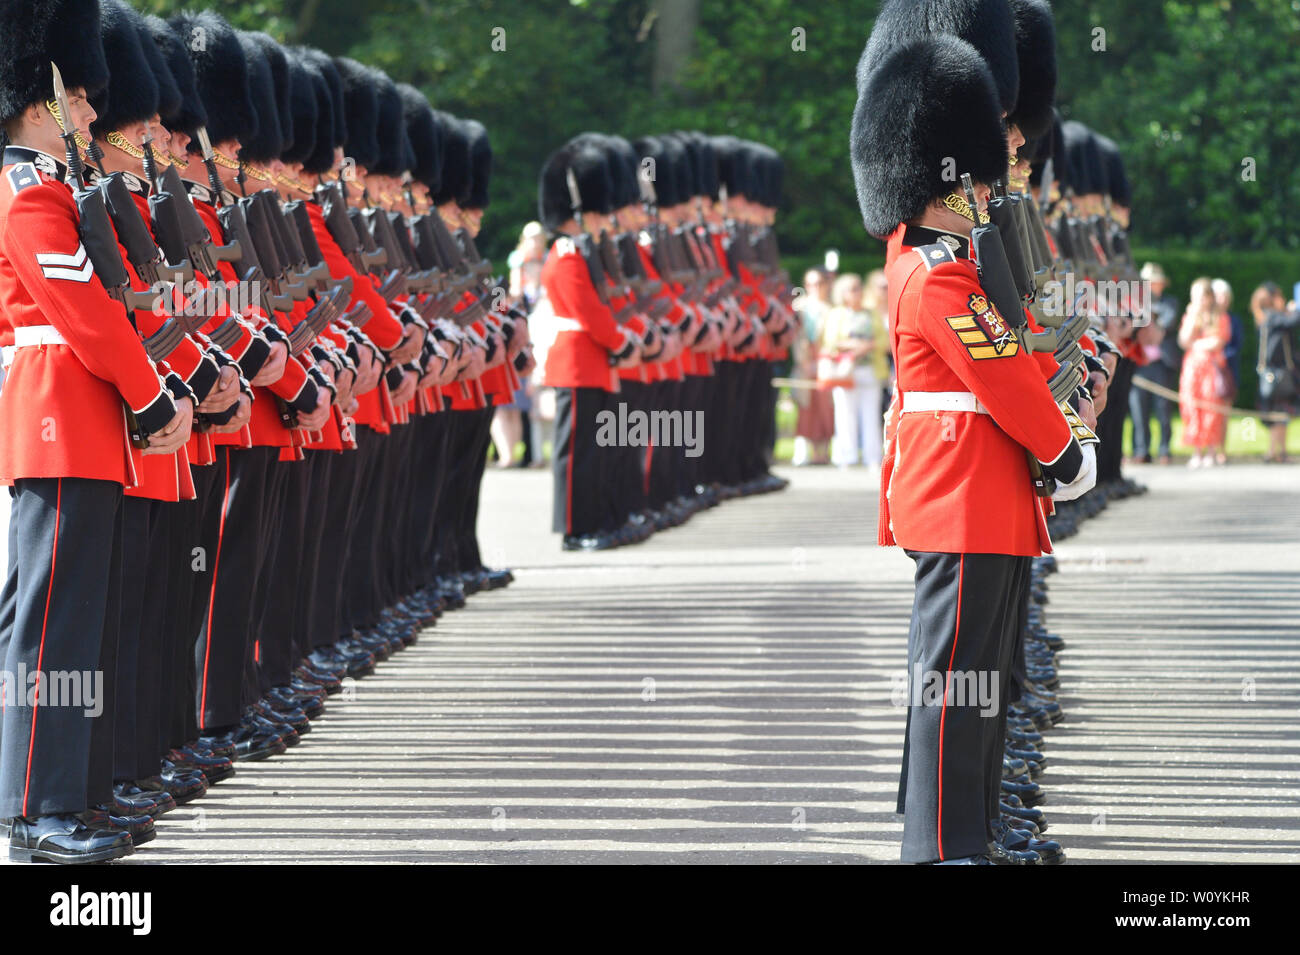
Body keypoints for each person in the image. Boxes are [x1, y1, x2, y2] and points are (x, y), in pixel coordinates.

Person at [854, 0, 1094, 865]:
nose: (991, 187)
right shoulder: (936, 273)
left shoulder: (951, 259)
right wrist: (1063, 447)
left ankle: (967, 835)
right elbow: (997, 371)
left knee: (973, 686)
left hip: (981, 489)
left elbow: (1021, 339)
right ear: (937, 177)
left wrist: (1066, 397)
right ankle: (944, 845)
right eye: (976, 178)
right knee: (955, 683)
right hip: (959, 489)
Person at [823, 272, 885, 468]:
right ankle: (847, 456)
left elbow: (884, 340)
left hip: (870, 368)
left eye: (858, 287)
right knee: (845, 413)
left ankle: (872, 457)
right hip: (845, 369)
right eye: (852, 289)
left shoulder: (871, 313)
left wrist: (867, 346)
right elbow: (830, 342)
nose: (857, 292)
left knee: (871, 414)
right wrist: (854, 345)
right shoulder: (836, 314)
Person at [1130, 262, 1181, 464]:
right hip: (1140, 363)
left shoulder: (1169, 302)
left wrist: (1149, 315)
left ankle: (1164, 449)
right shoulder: (1134, 303)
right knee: (1138, 410)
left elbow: (1167, 322)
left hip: (1161, 362)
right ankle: (1141, 449)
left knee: (1163, 409)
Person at [1178, 277, 1231, 467]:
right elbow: (1183, 340)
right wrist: (1193, 317)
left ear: (1209, 297)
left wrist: (1196, 344)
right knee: (1192, 406)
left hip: (1211, 368)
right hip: (1192, 368)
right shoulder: (1190, 315)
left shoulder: (1220, 317)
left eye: (1200, 296)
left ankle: (1211, 450)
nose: (1197, 300)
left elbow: (1218, 341)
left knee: (1211, 407)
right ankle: (1197, 450)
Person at [1251, 282, 1299, 463]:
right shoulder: (1272, 317)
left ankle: (1280, 450)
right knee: (1277, 413)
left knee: (1281, 413)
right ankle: (1274, 451)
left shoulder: (1267, 317)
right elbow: (1293, 320)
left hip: (1277, 374)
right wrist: (1294, 308)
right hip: (1276, 374)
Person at [792, 267, 834, 465]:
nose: (814, 288)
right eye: (810, 284)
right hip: (804, 364)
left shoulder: (832, 308)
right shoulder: (798, 306)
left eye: (818, 283)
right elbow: (795, 338)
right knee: (804, 407)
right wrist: (804, 361)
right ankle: (802, 450)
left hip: (825, 363)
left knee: (826, 408)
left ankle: (823, 450)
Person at [1212, 278, 1243, 466]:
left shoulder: (1234, 320)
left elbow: (1237, 345)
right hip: (1207, 369)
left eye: (1225, 295)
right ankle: (1209, 449)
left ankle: (1222, 449)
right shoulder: (1205, 317)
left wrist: (1220, 354)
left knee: (1224, 412)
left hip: (1227, 370)